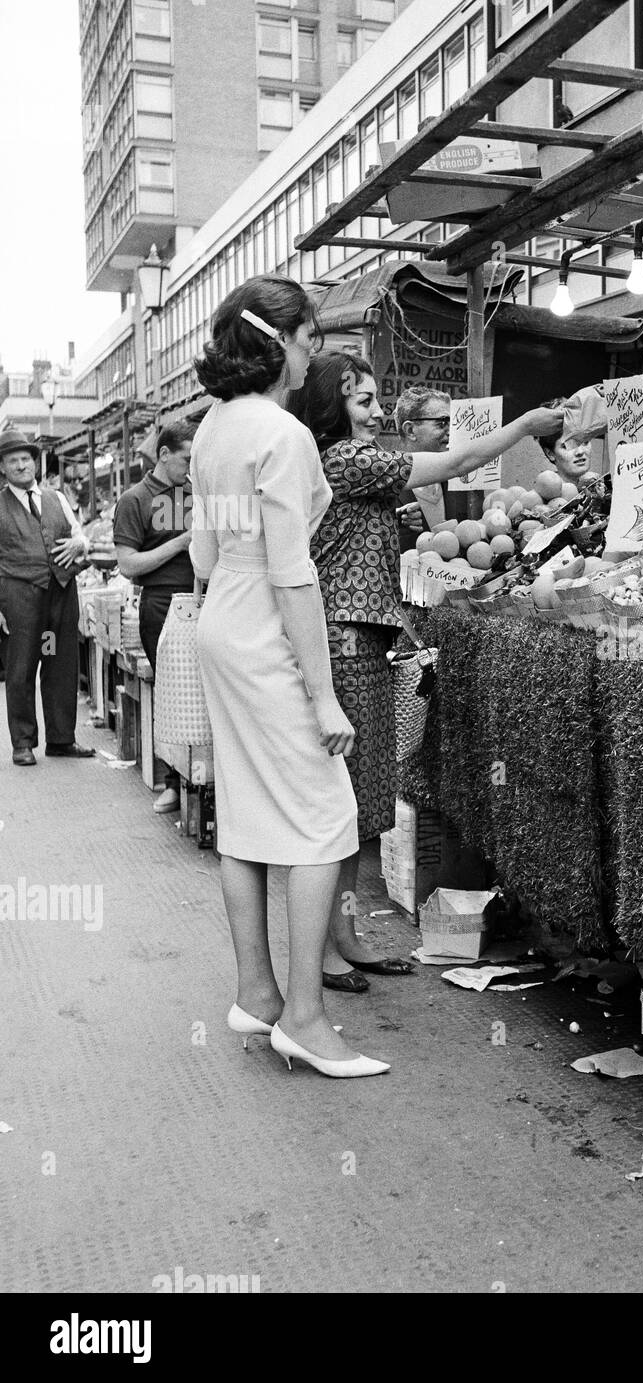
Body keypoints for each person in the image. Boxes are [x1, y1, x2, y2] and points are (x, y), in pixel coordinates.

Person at [285, 352, 564, 993]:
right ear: (333, 407)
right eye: (363, 401)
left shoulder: (346, 464)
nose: (378, 411)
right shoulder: (345, 460)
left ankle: (345, 939)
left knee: (358, 807)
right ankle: (324, 957)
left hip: (359, 640)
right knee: (342, 805)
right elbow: (459, 462)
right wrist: (524, 425)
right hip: (346, 643)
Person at [190, 275, 388, 1079]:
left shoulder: (212, 428)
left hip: (221, 624)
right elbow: (294, 574)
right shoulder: (283, 433)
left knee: (244, 812)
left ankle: (258, 991)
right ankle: (305, 1017)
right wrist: (322, 691)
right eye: (308, 338)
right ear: (277, 343)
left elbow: (205, 553)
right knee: (323, 816)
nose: (314, 355)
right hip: (268, 626)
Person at [113, 416, 199, 813]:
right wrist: (180, 543)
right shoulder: (135, 499)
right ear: (163, 455)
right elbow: (128, 565)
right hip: (162, 603)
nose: (191, 468)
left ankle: (201, 779)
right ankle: (171, 783)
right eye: (185, 460)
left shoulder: (199, 492)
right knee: (169, 694)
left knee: (206, 695)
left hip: (208, 599)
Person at [0, 429, 94, 766]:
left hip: (59, 598)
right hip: (21, 601)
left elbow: (81, 536)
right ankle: (23, 743)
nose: (22, 466)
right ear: (3, 468)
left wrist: (78, 544)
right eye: (14, 461)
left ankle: (60, 739)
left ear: (34, 462)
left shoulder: (56, 498)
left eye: (25, 459)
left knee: (56, 662)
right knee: (21, 667)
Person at [392, 385, 452, 552]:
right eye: (442, 423)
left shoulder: (461, 484)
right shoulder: (384, 490)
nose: (451, 430)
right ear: (410, 430)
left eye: (453, 423)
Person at [536, 398, 594, 482]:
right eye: (568, 445)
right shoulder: (546, 493)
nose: (580, 451)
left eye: (585, 441)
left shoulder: (606, 487)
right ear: (550, 454)